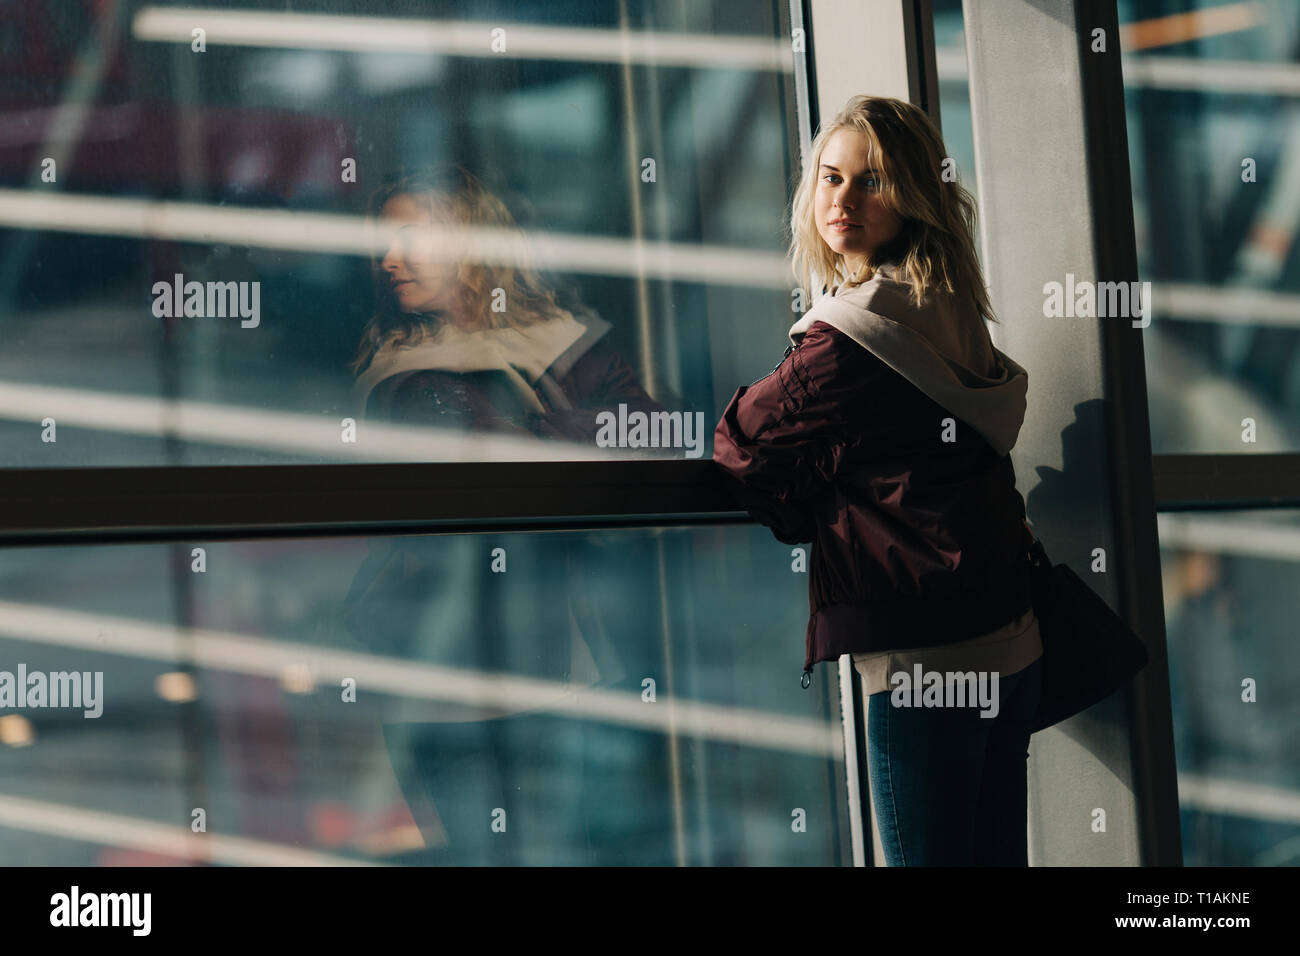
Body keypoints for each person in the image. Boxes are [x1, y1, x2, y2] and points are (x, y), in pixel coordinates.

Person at [712, 95, 1042, 866]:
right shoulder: (954, 312)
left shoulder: (849, 339)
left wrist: (811, 501)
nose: (843, 200)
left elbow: (742, 448)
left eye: (873, 182)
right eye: (831, 178)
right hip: (1014, 640)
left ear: (916, 197)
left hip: (924, 661)